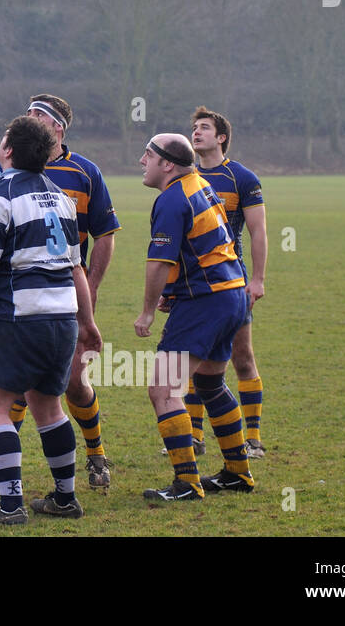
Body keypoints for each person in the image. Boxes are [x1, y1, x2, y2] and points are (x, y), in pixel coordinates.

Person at [0, 116, 99, 526]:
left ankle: (10, 505)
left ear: (8, 151)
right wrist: (87, 323)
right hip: (62, 318)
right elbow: (76, 269)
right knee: (49, 406)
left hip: (19, 317)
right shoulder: (62, 199)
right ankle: (65, 498)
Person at [0, 94, 119, 488]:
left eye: (38, 113)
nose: (28, 117)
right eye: (27, 111)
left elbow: (105, 236)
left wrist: (87, 294)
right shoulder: (1, 171)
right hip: (17, 297)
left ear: (58, 128)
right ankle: (9, 477)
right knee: (21, 386)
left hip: (65, 296)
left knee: (73, 383)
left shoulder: (85, 172)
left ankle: (96, 455)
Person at [134, 134, 255, 501]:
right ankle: (237, 472)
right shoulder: (200, 185)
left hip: (206, 302)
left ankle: (186, 482)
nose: (142, 160)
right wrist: (177, 290)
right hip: (232, 295)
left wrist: (147, 310)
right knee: (210, 385)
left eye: (148, 155)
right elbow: (204, 248)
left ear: (167, 164)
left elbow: (159, 262)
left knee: (163, 388)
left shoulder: (171, 199)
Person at [188, 107, 268, 459]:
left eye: (204, 127)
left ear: (221, 137)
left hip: (232, 282)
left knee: (243, 357)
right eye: (194, 127)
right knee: (191, 358)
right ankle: (193, 436)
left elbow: (258, 231)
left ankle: (252, 438)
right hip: (192, 285)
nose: (196, 132)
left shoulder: (242, 178)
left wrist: (259, 280)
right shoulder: (183, 178)